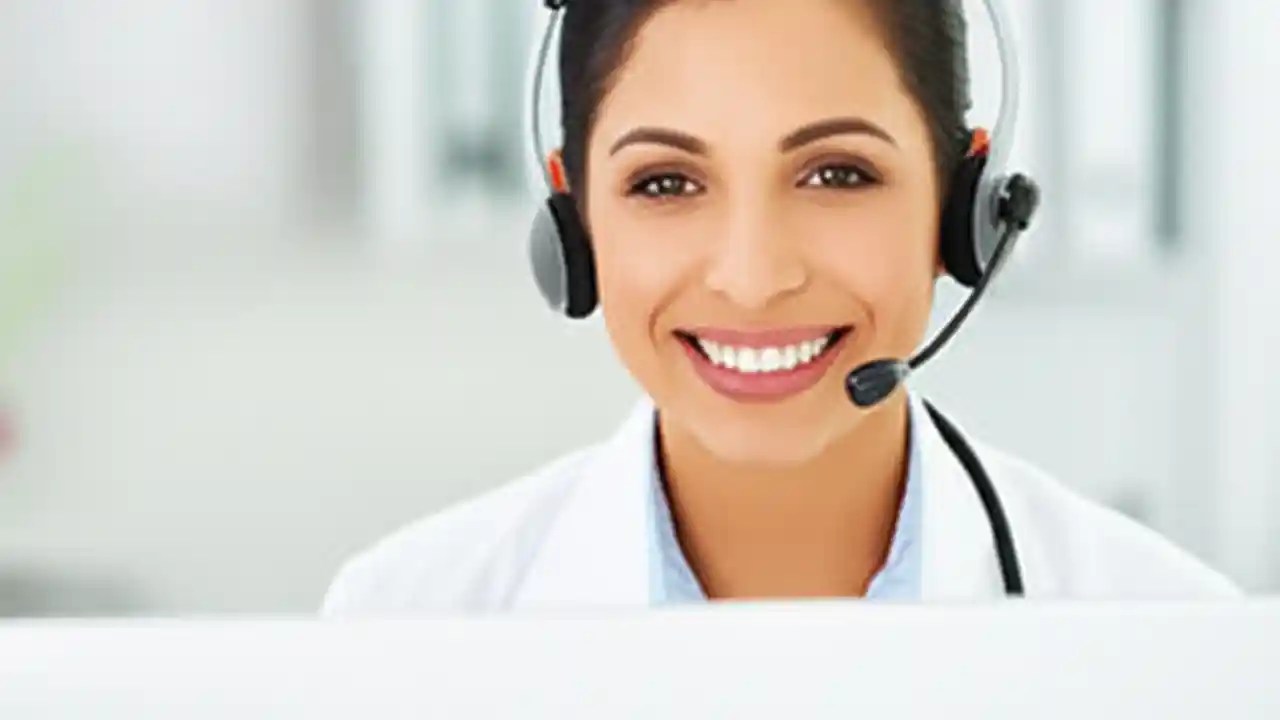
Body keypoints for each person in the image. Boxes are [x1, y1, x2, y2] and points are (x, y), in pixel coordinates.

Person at [322, 0, 1236, 614]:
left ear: (964, 202)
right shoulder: (403, 618)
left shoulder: (1174, 633)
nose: (753, 278)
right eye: (667, 182)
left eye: (837, 173)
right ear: (574, 213)